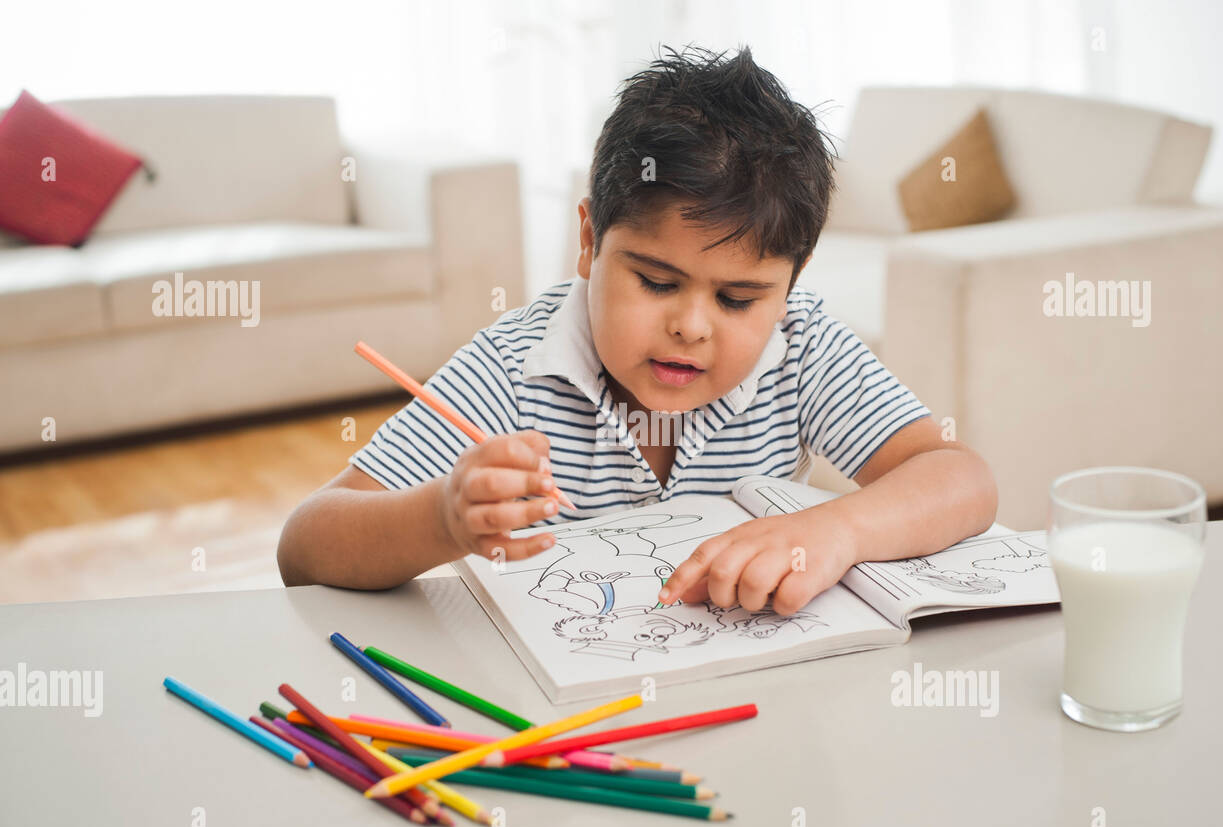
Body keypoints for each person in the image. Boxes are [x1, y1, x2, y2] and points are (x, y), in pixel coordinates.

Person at [277, 45, 998, 616]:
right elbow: (306, 546)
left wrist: (836, 529)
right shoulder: (514, 368)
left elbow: (961, 478)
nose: (689, 326)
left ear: (791, 285)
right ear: (588, 240)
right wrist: (439, 517)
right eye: (655, 282)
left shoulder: (801, 345)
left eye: (739, 299)